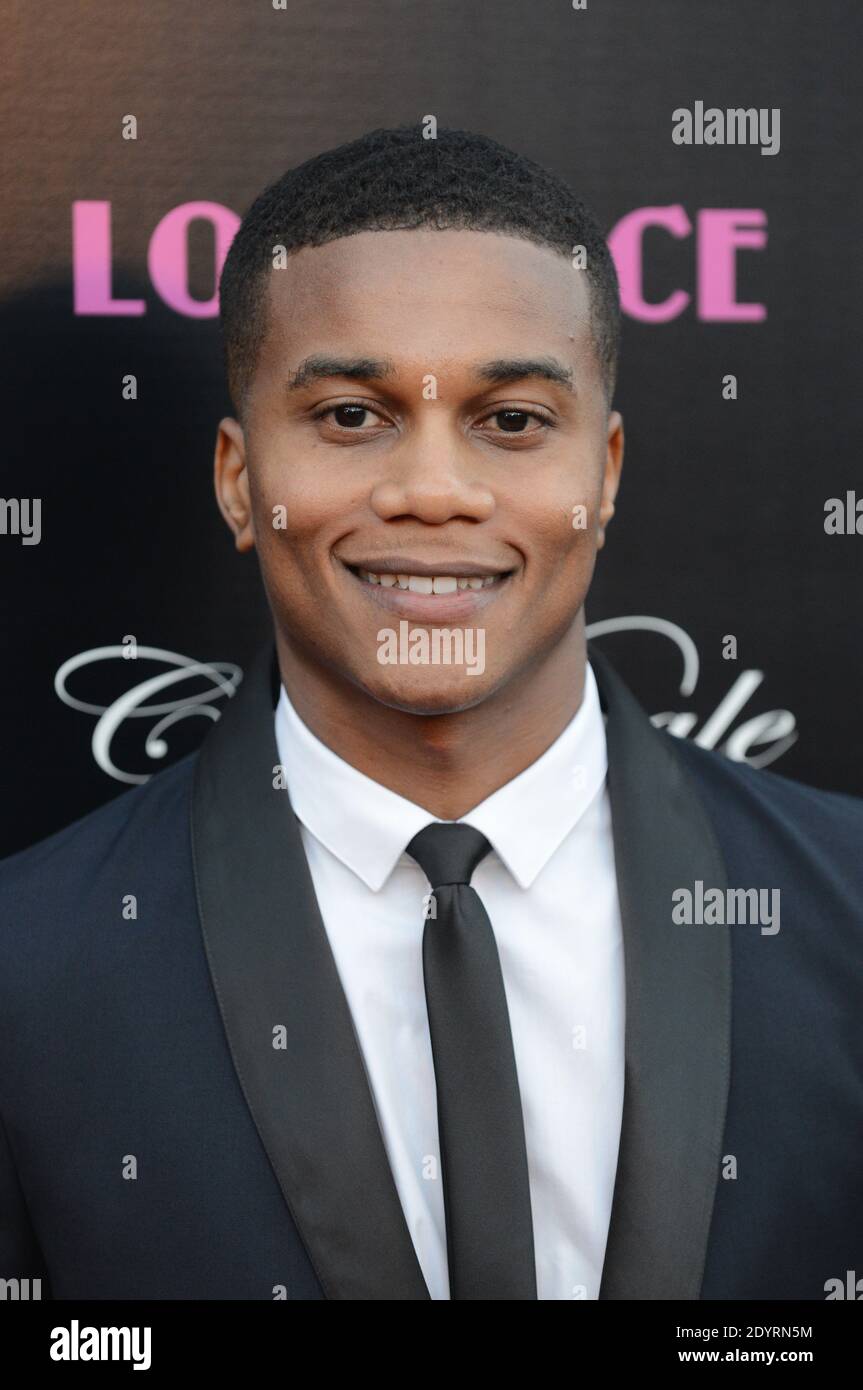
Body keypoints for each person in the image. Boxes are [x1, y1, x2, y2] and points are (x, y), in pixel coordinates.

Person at [1, 126, 860, 1302]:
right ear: (239, 481)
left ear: (601, 477)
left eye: (509, 419)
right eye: (351, 416)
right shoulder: (29, 967)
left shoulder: (844, 907)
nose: (434, 492)